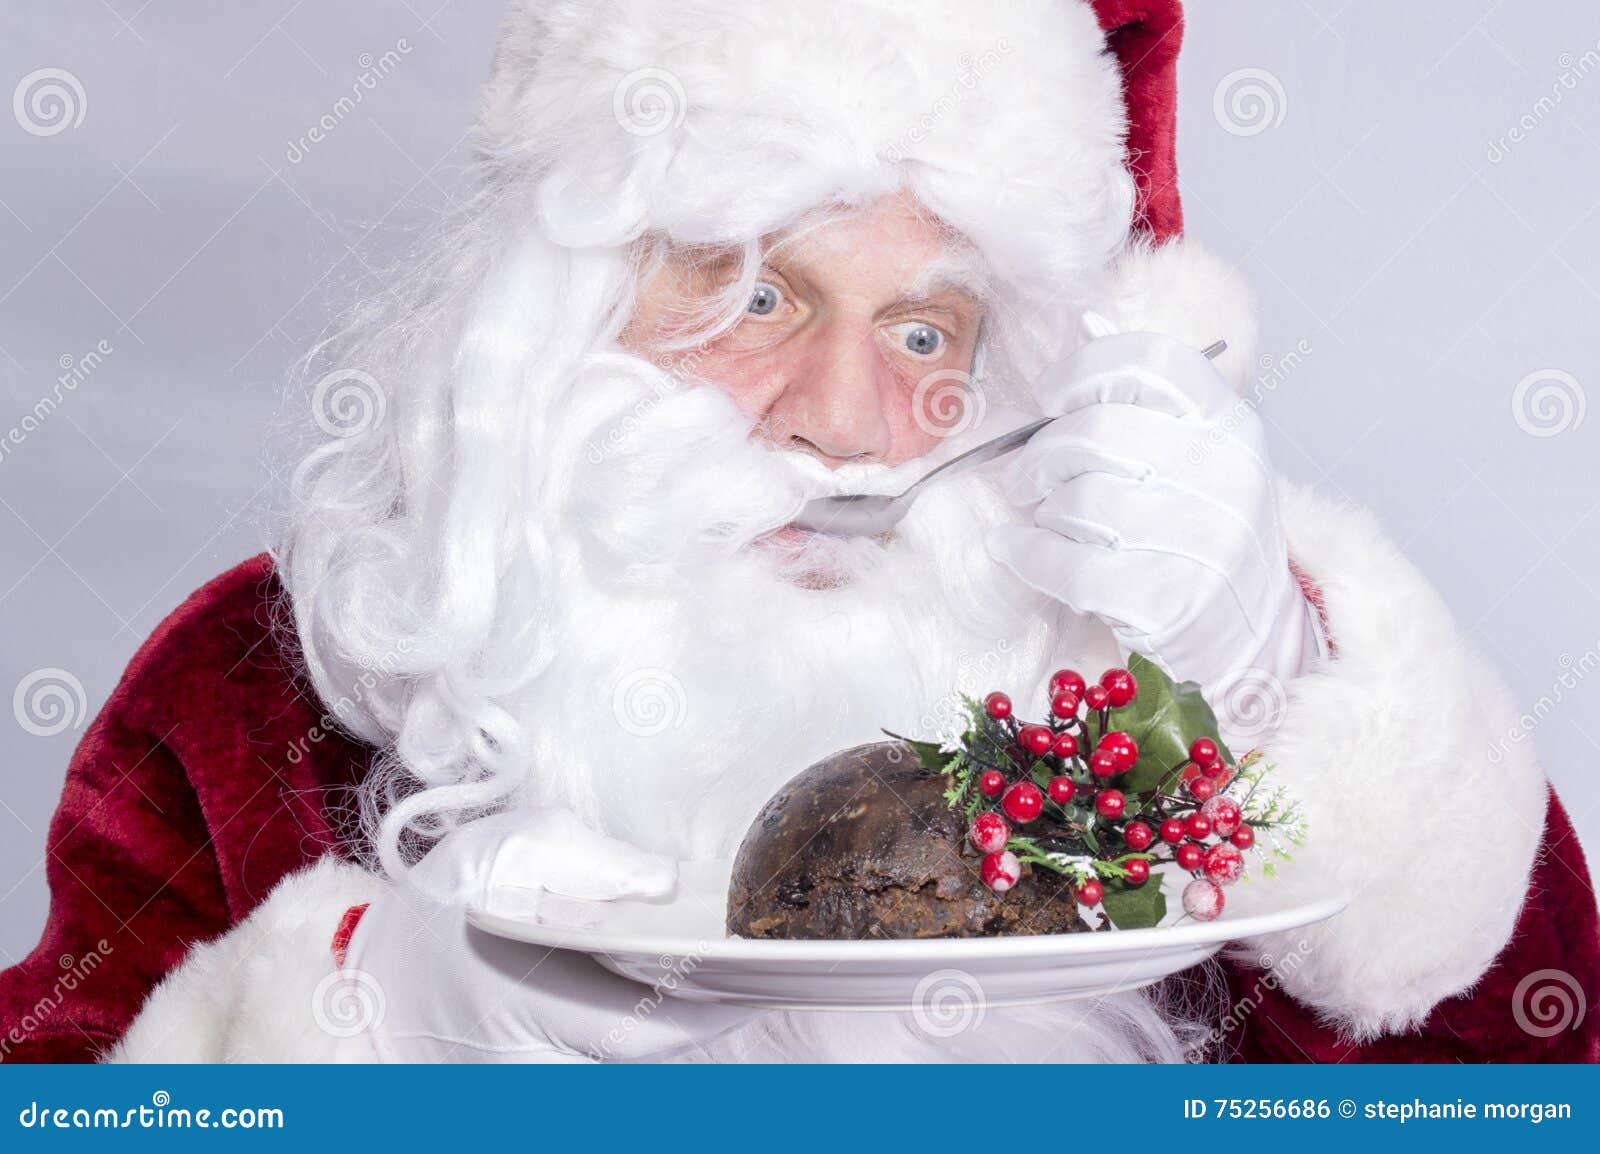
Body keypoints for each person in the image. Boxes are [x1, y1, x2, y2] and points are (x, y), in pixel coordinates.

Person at [2, 0, 1595, 1063]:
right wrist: (367, 1020)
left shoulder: (1135, 705)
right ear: (553, 305)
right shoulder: (246, 699)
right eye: (758, 290)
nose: (838, 419)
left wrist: (1280, 684)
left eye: (926, 330)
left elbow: (1536, 1064)